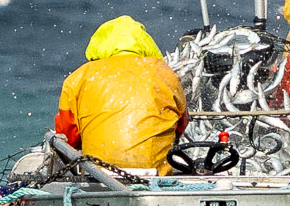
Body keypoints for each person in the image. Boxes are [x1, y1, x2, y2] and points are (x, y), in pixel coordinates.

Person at [54, 16, 189, 174]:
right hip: (154, 176)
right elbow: (180, 125)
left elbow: (67, 137)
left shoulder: (78, 77)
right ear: (146, 43)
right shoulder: (164, 73)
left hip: (98, 177)